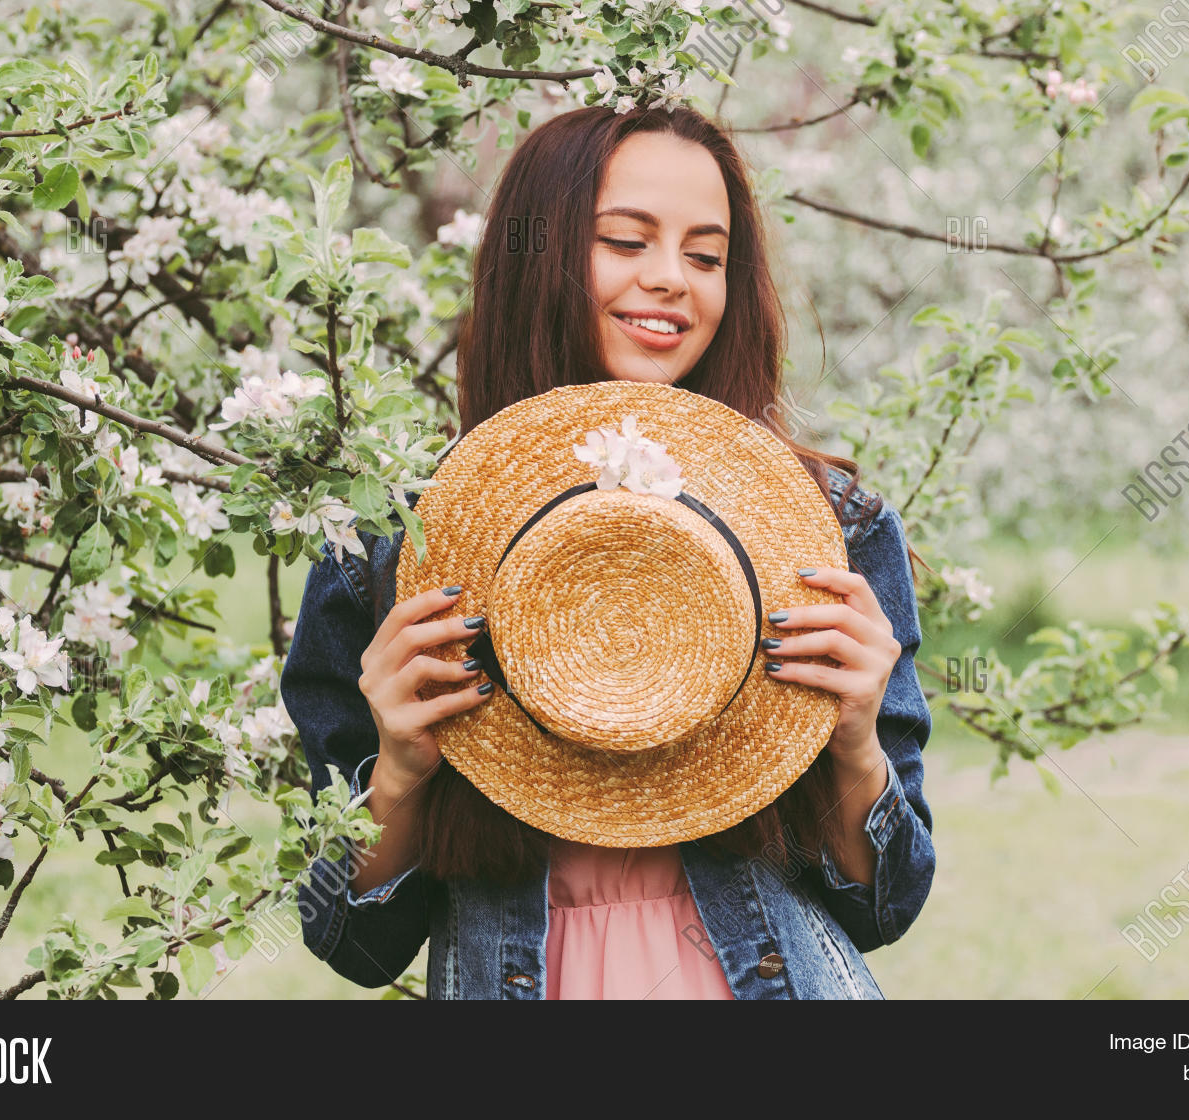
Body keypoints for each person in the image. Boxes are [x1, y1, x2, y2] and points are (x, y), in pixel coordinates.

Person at [279, 104, 935, 1000]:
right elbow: (355, 945)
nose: (670, 280)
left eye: (706, 257)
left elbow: (886, 908)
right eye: (626, 241)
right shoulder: (398, 542)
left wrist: (854, 747)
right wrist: (395, 775)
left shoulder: (825, 530)